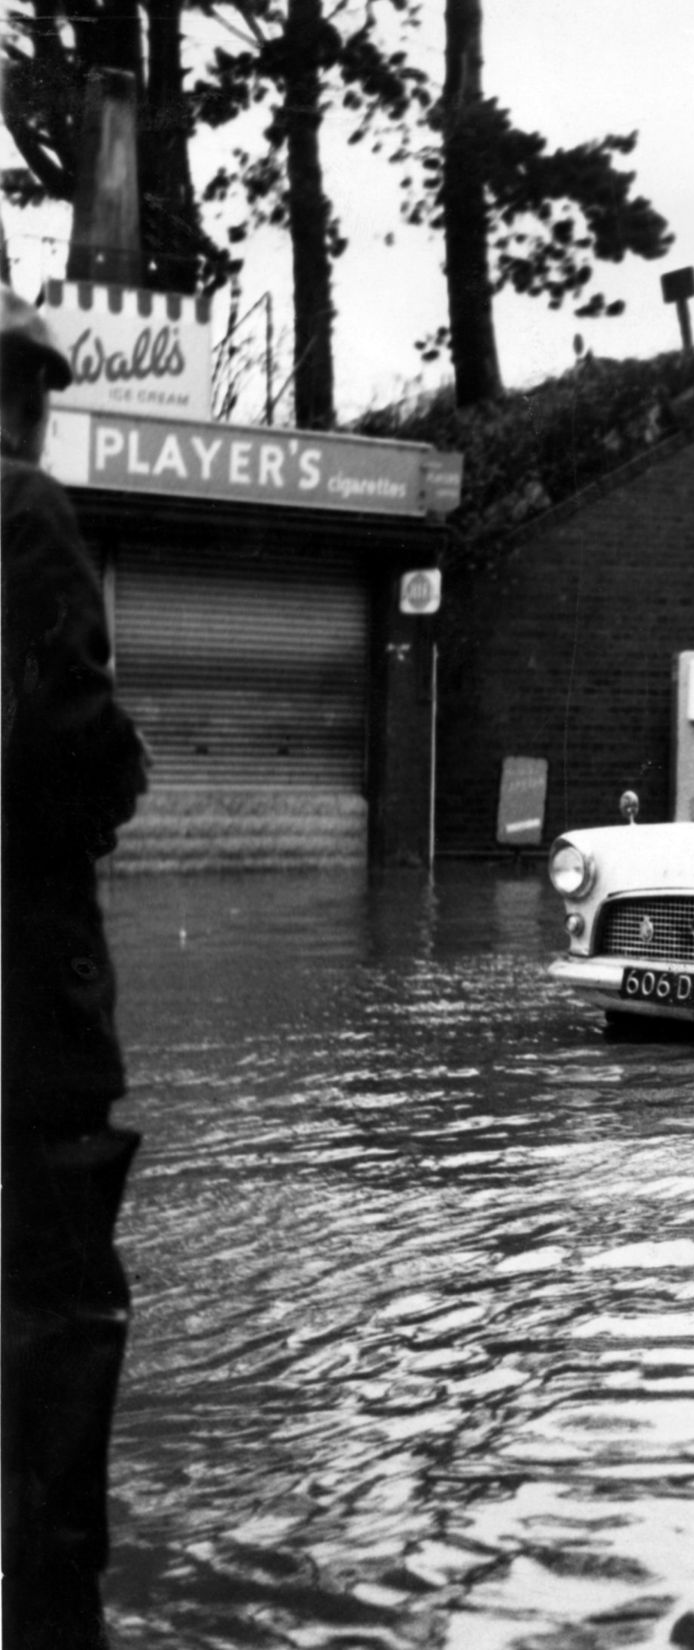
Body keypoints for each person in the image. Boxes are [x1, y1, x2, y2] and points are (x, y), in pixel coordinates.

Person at [4, 285, 150, 1650]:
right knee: (54, 1311)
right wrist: (123, 771)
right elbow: (63, 740)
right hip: (20, 1005)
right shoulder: (23, 510)